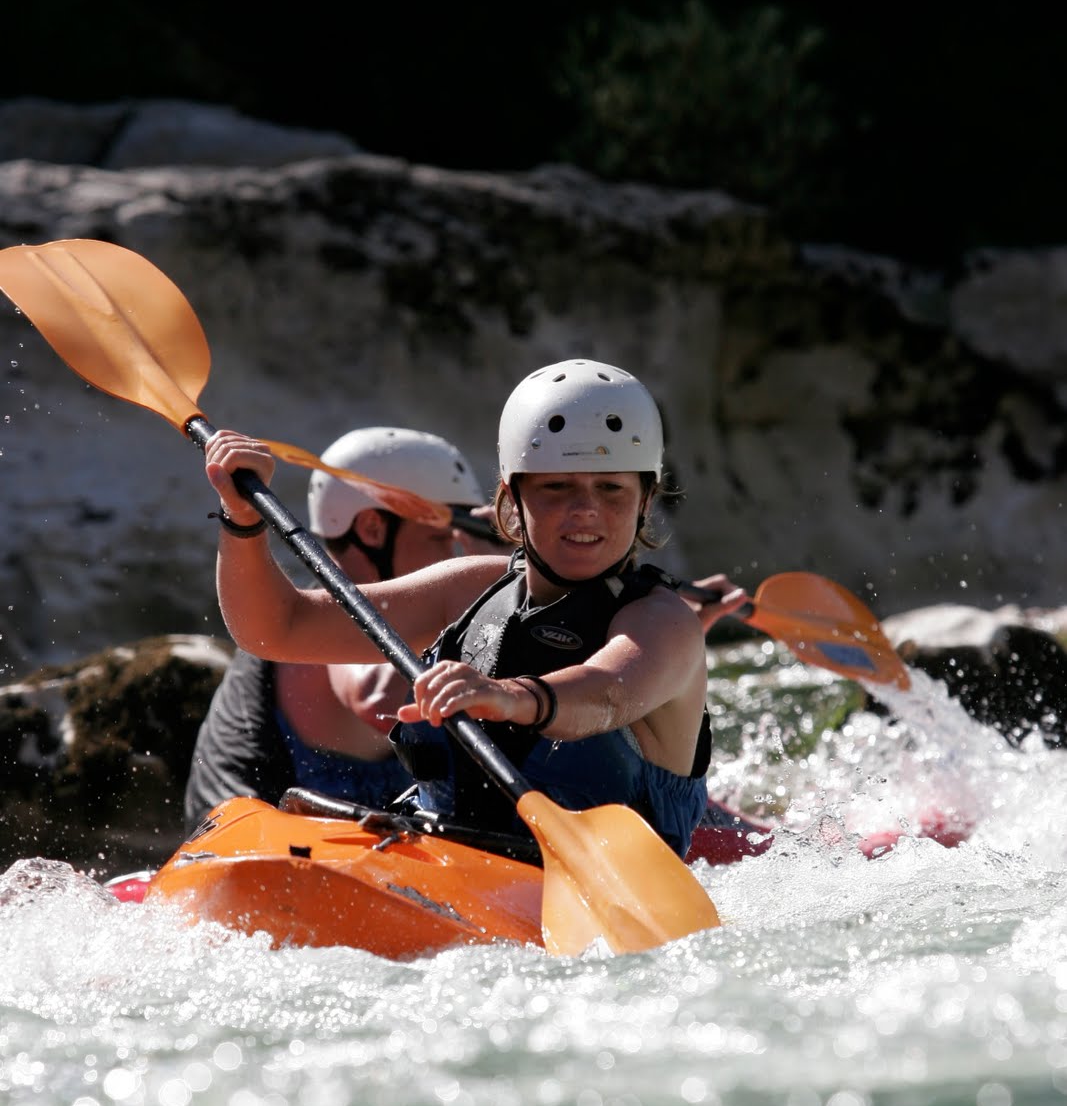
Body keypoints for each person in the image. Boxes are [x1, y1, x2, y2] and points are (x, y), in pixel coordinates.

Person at [200, 360, 751, 857]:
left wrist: (507, 696)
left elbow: (606, 694)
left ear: (645, 501)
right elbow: (278, 628)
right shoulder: (468, 590)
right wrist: (241, 521)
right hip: (446, 868)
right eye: (557, 488)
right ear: (512, 501)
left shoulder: (663, 622)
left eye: (611, 489)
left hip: (599, 899)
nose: (586, 510)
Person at [183, 425, 486, 830]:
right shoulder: (324, 630)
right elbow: (377, 700)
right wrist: (493, 594)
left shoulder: (320, 614)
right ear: (373, 530)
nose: (453, 557)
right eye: (440, 539)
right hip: (247, 854)